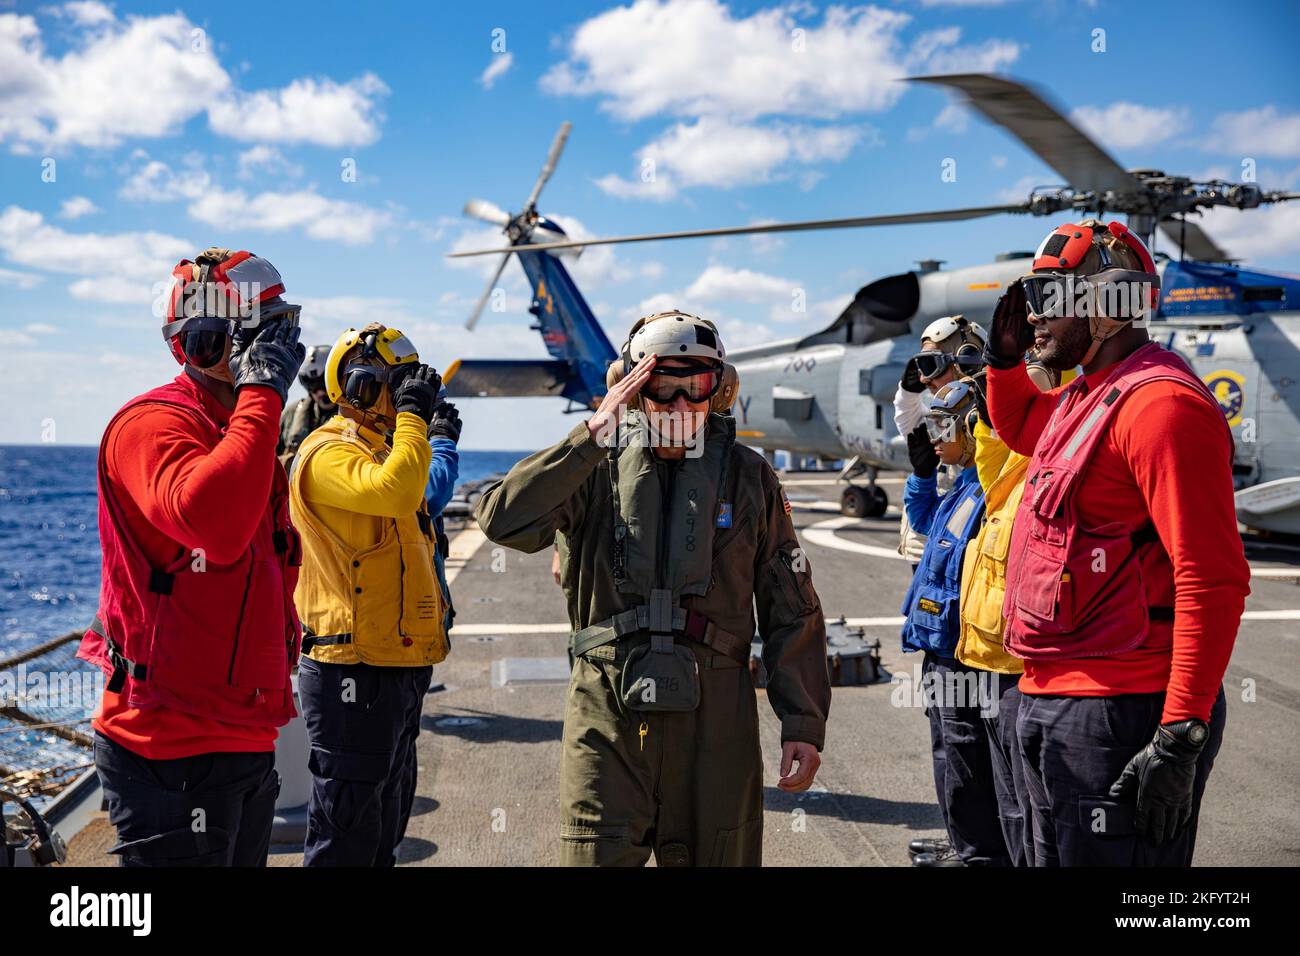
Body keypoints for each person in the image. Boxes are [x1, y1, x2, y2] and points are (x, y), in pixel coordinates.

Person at [474, 311, 831, 867]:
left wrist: (803, 722)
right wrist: (589, 438)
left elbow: (793, 609)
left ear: (720, 388)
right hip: (608, 713)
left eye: (697, 387)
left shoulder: (749, 477)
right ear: (632, 386)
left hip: (717, 720)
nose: (682, 405)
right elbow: (502, 521)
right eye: (663, 388)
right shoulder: (590, 467)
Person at [984, 219, 1250, 866]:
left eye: (1049, 300)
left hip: (1120, 711)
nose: (1032, 318)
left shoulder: (1160, 406)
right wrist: (1003, 359)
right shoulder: (1086, 397)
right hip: (1052, 695)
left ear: (1109, 306)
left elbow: (1211, 578)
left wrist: (1180, 734)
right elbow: (1020, 427)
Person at [79, 247, 305, 866]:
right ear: (207, 342)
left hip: (245, 735)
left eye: (285, 329)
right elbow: (219, 527)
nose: (283, 349)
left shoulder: (241, 434)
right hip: (167, 748)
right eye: (268, 331)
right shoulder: (150, 426)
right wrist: (262, 393)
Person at [289, 322, 458, 866]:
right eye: (398, 384)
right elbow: (398, 490)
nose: (409, 398)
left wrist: (428, 431)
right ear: (360, 385)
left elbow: (420, 497)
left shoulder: (381, 451)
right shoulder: (327, 453)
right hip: (351, 673)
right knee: (347, 839)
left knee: (382, 832)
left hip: (396, 666)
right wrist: (413, 418)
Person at [899, 378, 1009, 867]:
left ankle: (980, 857)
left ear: (974, 427)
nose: (937, 438)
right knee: (951, 757)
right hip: (941, 650)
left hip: (964, 656)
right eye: (933, 426)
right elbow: (922, 524)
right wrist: (921, 475)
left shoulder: (990, 487)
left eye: (946, 427)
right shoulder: (961, 485)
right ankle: (966, 849)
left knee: (970, 767)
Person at [895, 315, 986, 562]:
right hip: (928, 539)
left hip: (956, 547)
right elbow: (908, 424)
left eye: (931, 365)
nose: (925, 379)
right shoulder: (937, 413)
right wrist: (907, 390)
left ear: (966, 362)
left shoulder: (987, 423)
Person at [278, 344, 337, 470]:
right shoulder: (291, 413)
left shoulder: (353, 418)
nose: (320, 392)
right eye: (312, 385)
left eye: (323, 384)